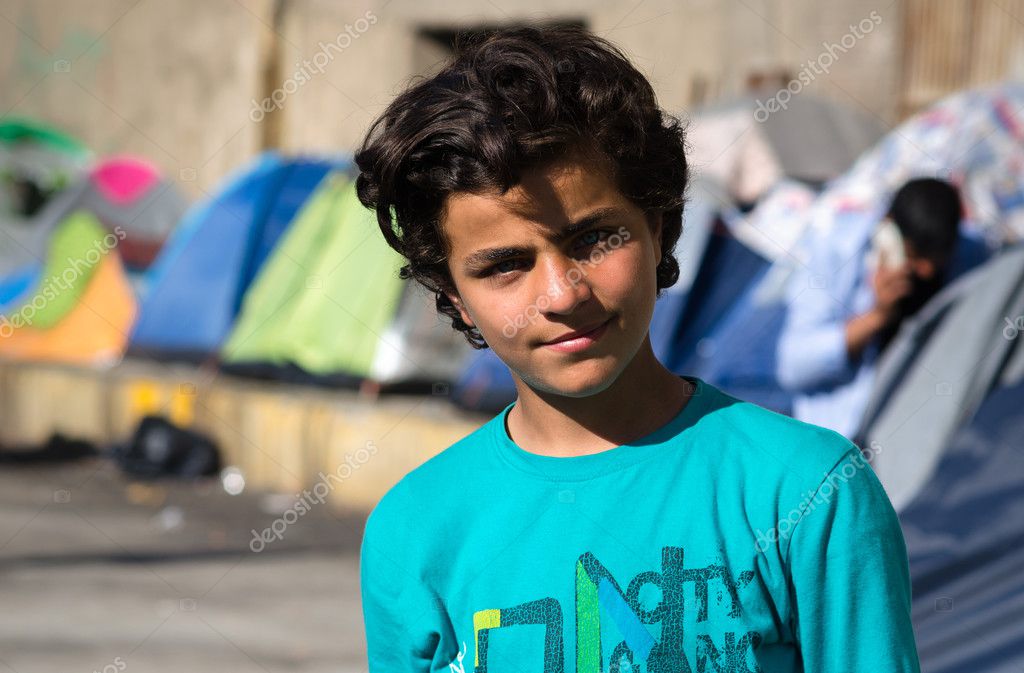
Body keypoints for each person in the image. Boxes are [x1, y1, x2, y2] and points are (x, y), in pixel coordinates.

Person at [355, 26, 919, 673]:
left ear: (657, 225)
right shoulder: (415, 529)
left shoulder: (807, 490)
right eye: (505, 265)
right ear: (451, 294)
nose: (562, 293)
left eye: (595, 238)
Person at [777, 178, 988, 439]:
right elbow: (794, 368)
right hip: (843, 436)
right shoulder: (836, 251)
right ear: (887, 230)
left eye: (937, 259)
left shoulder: (974, 256)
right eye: (916, 257)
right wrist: (876, 317)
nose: (926, 271)